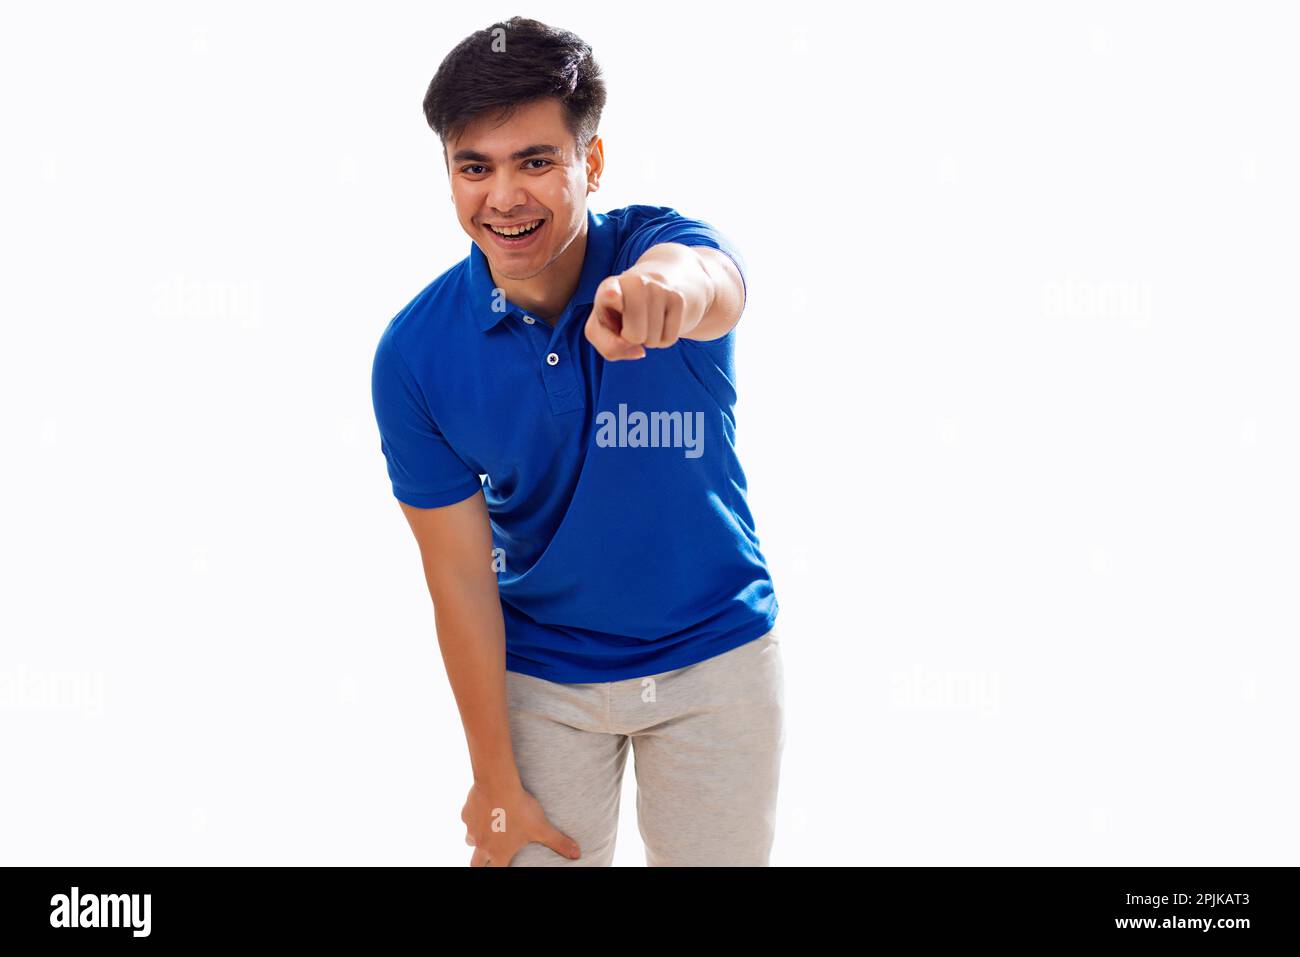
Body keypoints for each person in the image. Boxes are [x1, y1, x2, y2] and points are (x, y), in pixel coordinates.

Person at [370, 16, 783, 866]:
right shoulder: (414, 355)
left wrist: (661, 293)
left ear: (590, 163)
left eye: (536, 161)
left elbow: (709, 281)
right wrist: (492, 780)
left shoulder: (662, 247)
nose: (504, 196)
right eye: (474, 167)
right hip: (543, 677)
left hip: (715, 658)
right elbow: (457, 579)